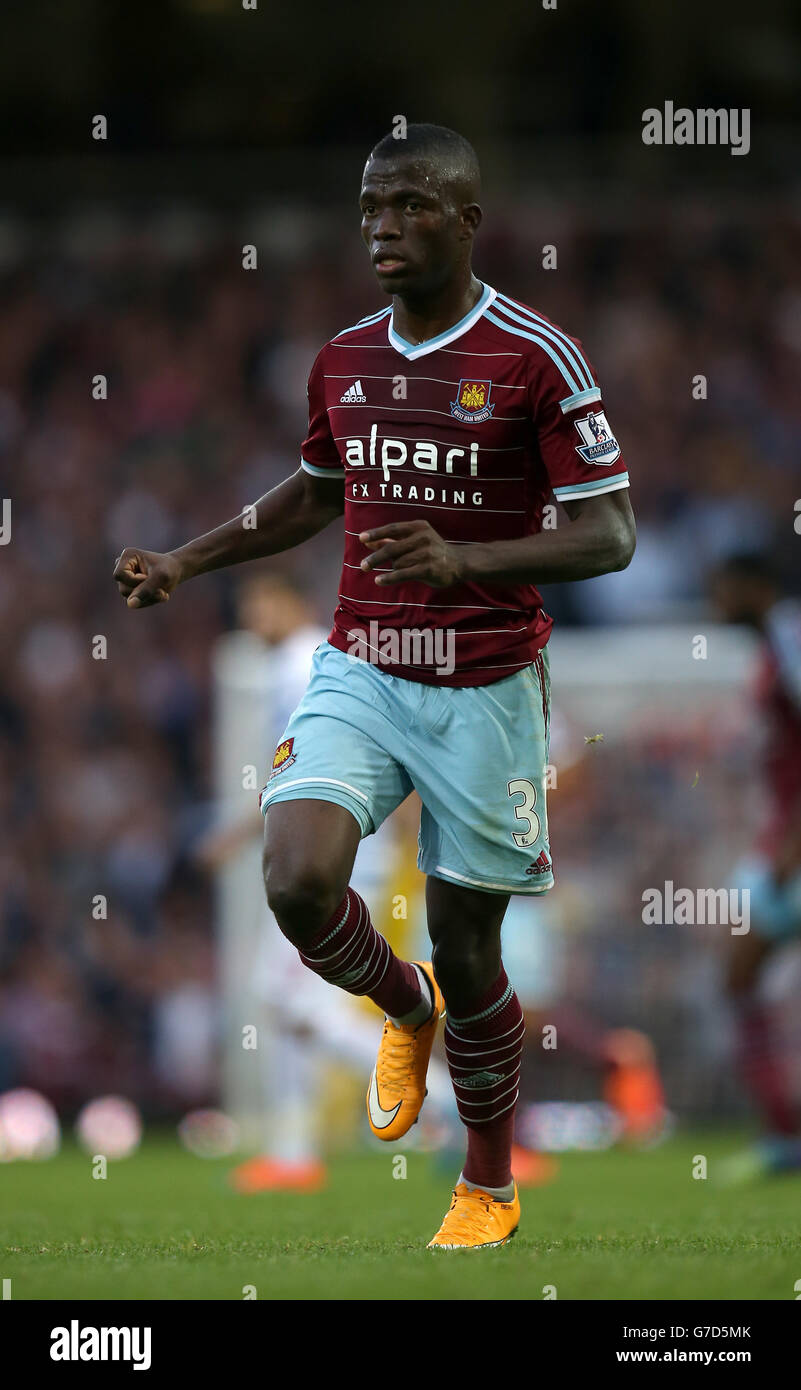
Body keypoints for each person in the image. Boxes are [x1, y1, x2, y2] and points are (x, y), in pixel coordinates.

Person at [114, 123, 635, 1249]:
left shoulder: (535, 355)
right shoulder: (344, 357)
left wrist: (468, 562)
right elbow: (310, 495)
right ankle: (404, 1010)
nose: (384, 229)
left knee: (470, 947)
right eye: (371, 210)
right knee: (296, 880)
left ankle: (487, 1184)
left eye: (409, 206)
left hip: (488, 683)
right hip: (362, 662)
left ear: (466, 220)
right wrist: (186, 561)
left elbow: (611, 533)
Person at [711, 552, 801, 1180]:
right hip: (779, 846)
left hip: (791, 851)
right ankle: (784, 1132)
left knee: (741, 976)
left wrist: (793, 843)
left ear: (756, 587)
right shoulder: (775, 645)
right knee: (739, 976)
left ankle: (786, 1133)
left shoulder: (792, 638)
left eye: (725, 589)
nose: (716, 602)